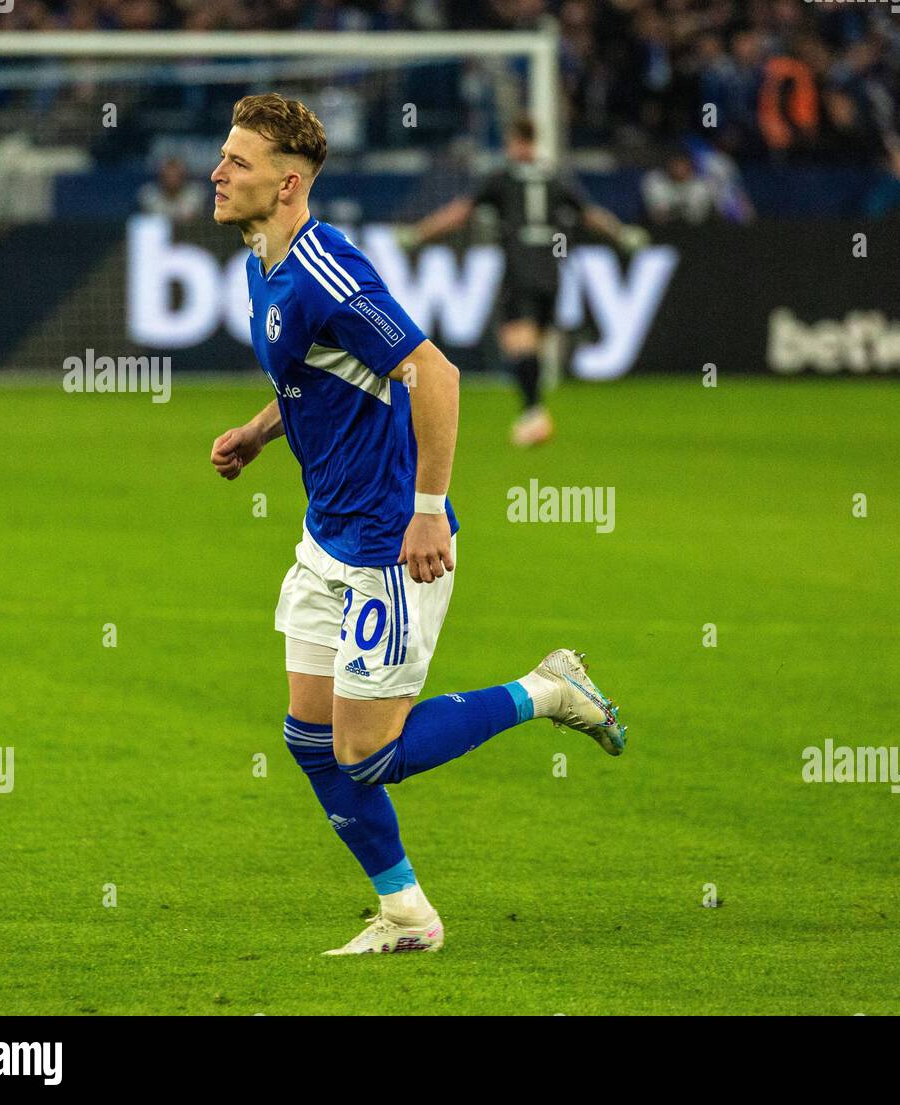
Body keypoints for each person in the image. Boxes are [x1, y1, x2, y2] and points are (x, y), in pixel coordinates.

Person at [208, 93, 627, 955]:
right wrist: (259, 431)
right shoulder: (263, 261)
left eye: (237, 162)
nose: (218, 172)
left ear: (288, 185)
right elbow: (323, 380)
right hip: (327, 536)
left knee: (366, 753)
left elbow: (433, 374)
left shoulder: (328, 269)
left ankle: (548, 690)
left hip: (388, 547)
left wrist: (428, 512)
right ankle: (407, 914)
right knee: (308, 738)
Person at [399, 115, 648, 447]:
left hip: (521, 268)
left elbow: (461, 211)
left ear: (513, 141)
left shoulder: (502, 178)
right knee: (533, 345)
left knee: (516, 341)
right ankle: (533, 412)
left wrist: (419, 233)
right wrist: (622, 234)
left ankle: (534, 415)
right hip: (552, 271)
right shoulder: (553, 177)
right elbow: (589, 214)